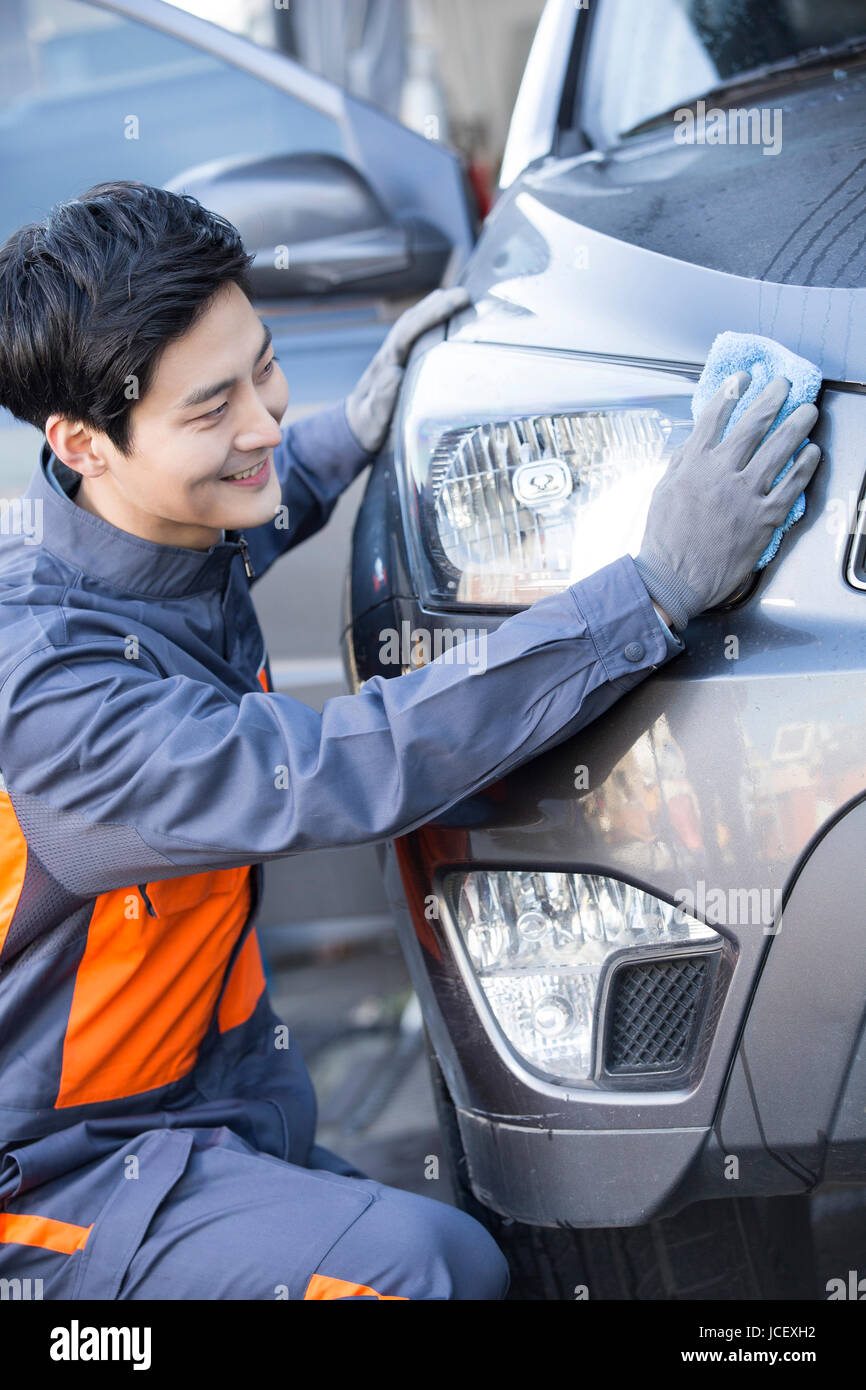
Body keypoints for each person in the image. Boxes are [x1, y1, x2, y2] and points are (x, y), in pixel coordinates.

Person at [0, 181, 820, 1301]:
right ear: (82, 443)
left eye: (265, 367)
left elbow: (259, 506)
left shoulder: (158, 526)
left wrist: (359, 426)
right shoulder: (55, 696)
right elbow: (350, 765)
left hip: (206, 1115)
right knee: (425, 1272)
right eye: (211, 408)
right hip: (55, 1191)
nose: (263, 421)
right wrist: (652, 593)